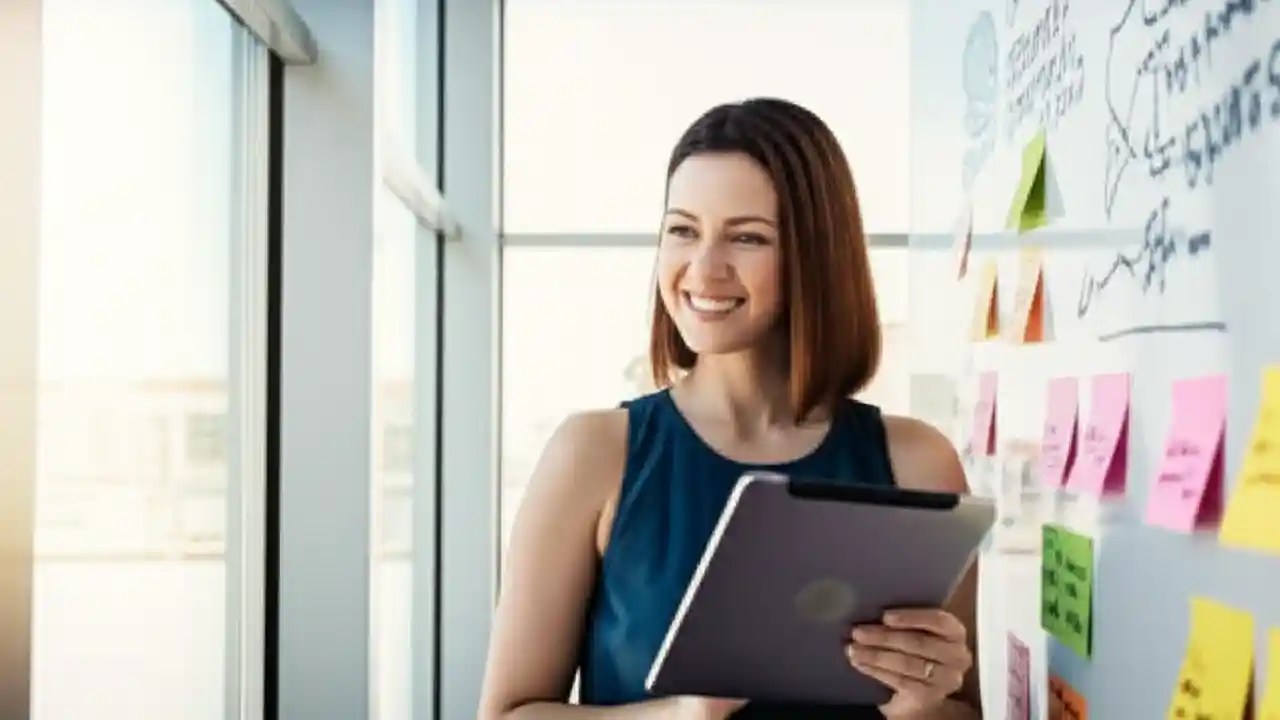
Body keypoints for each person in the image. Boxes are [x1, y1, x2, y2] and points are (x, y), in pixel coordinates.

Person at [478, 98, 981, 719]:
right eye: (682, 229)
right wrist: (682, 713)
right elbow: (507, 714)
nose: (703, 268)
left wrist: (918, 700)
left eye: (747, 237)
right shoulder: (594, 453)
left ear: (815, 256)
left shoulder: (918, 463)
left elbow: (958, 712)